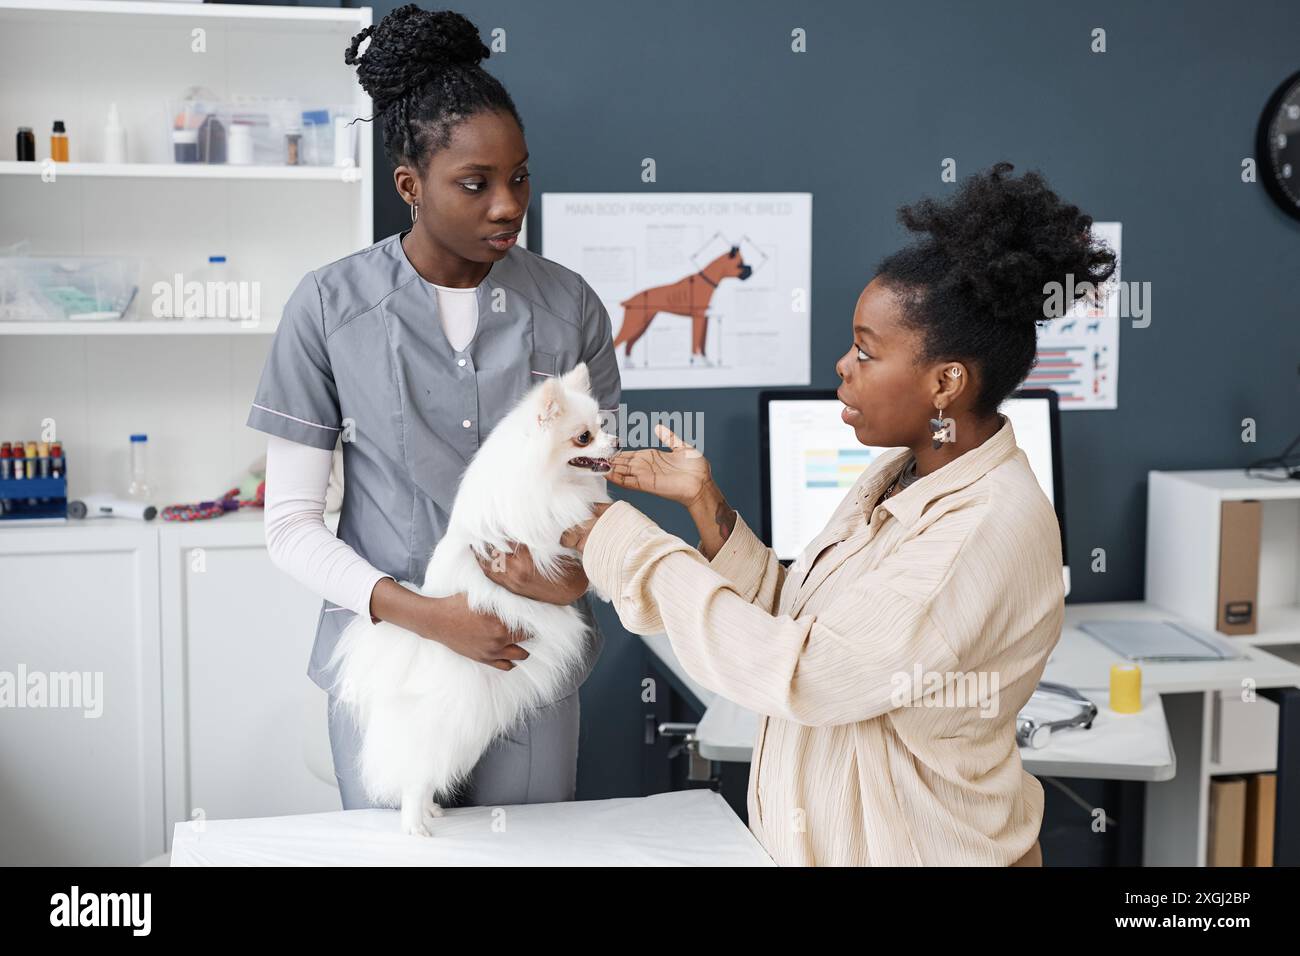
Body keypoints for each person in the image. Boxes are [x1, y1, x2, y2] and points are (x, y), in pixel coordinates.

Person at [548, 163, 1116, 865]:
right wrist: (710, 510)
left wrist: (625, 545)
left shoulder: (982, 529)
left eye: (866, 352)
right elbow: (810, 624)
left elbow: (809, 674)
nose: (842, 366)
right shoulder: (901, 475)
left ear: (945, 382)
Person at [245, 6, 620, 810]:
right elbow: (290, 525)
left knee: (529, 861)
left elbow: (596, 492)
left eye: (519, 176)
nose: (507, 205)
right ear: (410, 185)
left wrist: (571, 579)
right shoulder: (327, 307)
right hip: (390, 658)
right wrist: (426, 615)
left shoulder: (570, 307)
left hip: (529, 653)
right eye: (475, 184)